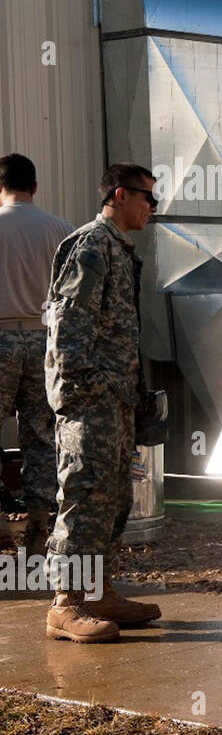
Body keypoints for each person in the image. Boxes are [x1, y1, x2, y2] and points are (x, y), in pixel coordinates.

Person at [43, 164, 161, 643]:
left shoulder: (118, 249)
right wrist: (88, 386)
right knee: (84, 495)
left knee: (112, 498)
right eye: (147, 198)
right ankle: (65, 604)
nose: (152, 207)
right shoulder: (91, 245)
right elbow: (68, 324)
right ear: (119, 194)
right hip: (90, 400)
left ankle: (97, 592)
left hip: (113, 400)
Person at [0, 154, 71, 551]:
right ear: (35, 186)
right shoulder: (61, 231)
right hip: (46, 341)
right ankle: (38, 528)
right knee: (41, 436)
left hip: (0, 338)